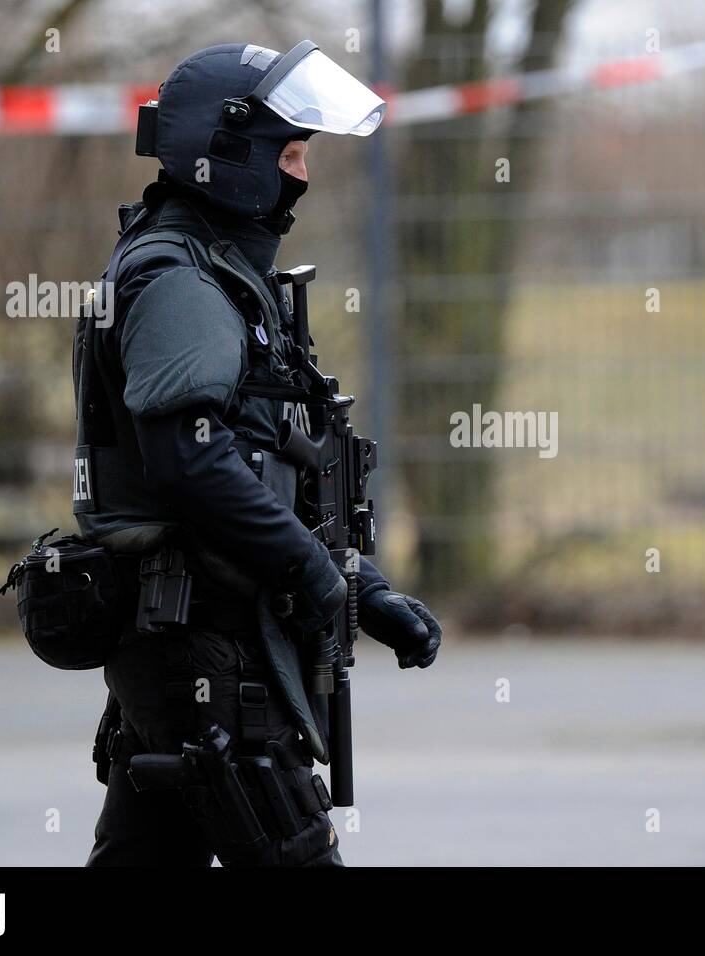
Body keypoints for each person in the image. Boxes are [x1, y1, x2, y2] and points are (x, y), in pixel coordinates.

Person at [75, 41, 441, 867]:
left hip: (195, 639)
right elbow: (191, 461)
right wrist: (312, 577)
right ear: (226, 157)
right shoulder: (181, 283)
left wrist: (364, 589)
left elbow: (265, 461)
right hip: (204, 641)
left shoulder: (219, 274)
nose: (302, 176)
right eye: (290, 152)